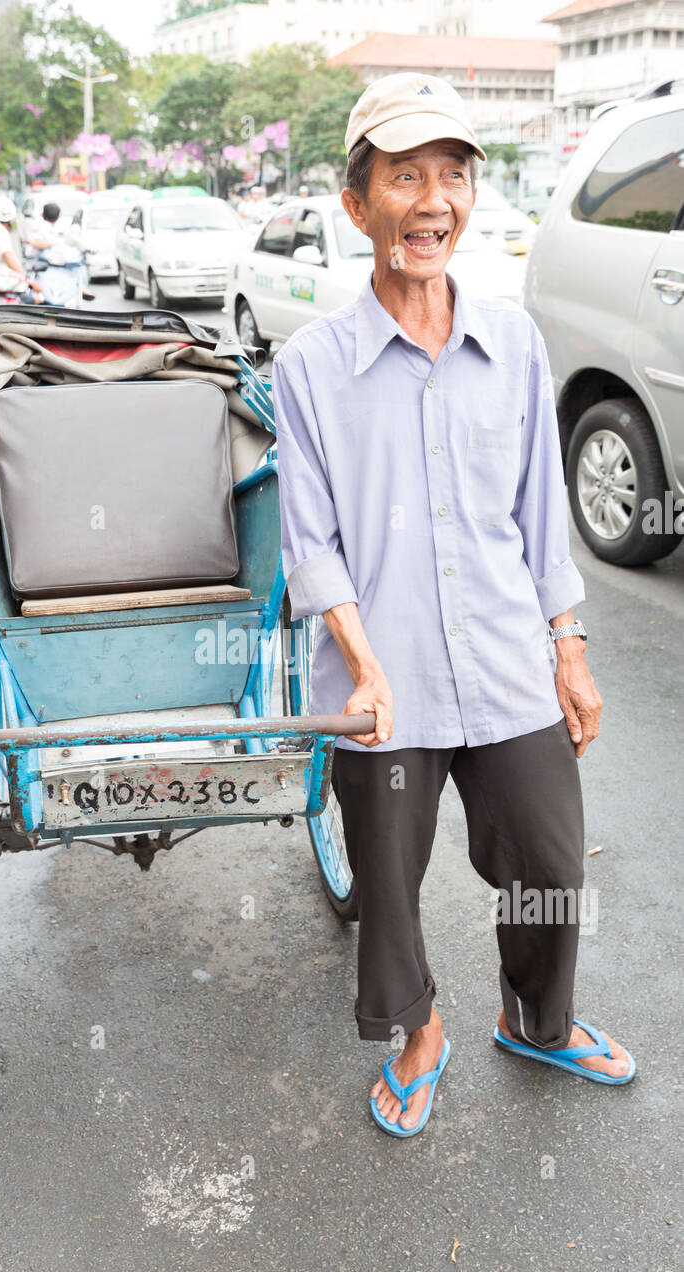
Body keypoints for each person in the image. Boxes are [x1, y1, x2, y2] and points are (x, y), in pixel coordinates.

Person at [272, 72, 635, 1138]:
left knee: (550, 861)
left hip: (506, 661)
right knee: (386, 874)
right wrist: (361, 661)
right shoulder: (312, 366)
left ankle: (535, 1015)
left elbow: (537, 520)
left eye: (451, 175)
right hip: (380, 676)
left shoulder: (513, 343)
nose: (432, 200)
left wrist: (566, 648)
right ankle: (415, 1029)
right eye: (403, 177)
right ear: (357, 204)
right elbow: (311, 539)